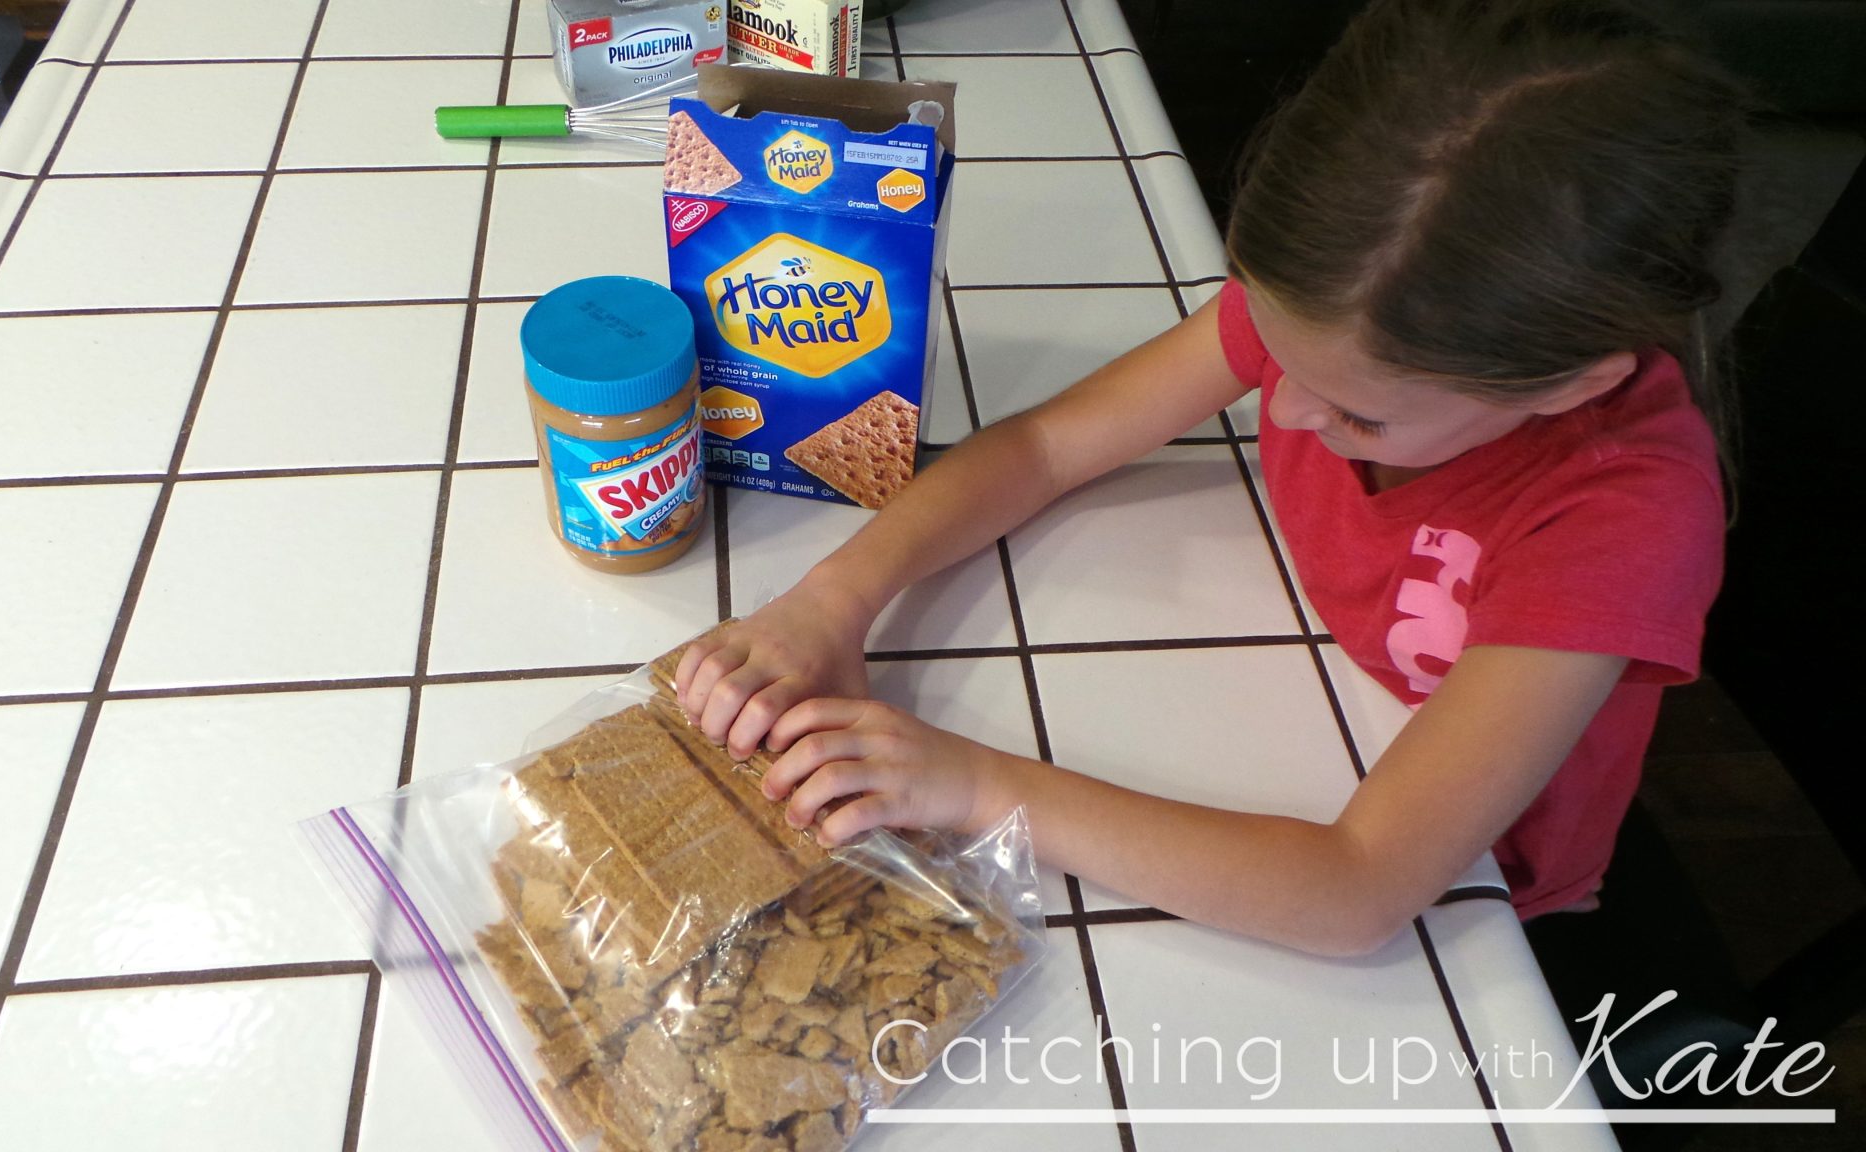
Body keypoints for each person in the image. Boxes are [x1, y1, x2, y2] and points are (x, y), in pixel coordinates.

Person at [674, 0, 1744, 956]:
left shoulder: (1621, 520)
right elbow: (1045, 448)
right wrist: (832, 599)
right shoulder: (1349, 300)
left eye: (1356, 413)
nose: (1278, 409)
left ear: (1567, 387)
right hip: (1307, 695)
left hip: (1480, 895)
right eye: (1274, 355)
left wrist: (971, 782)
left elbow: (1356, 889)